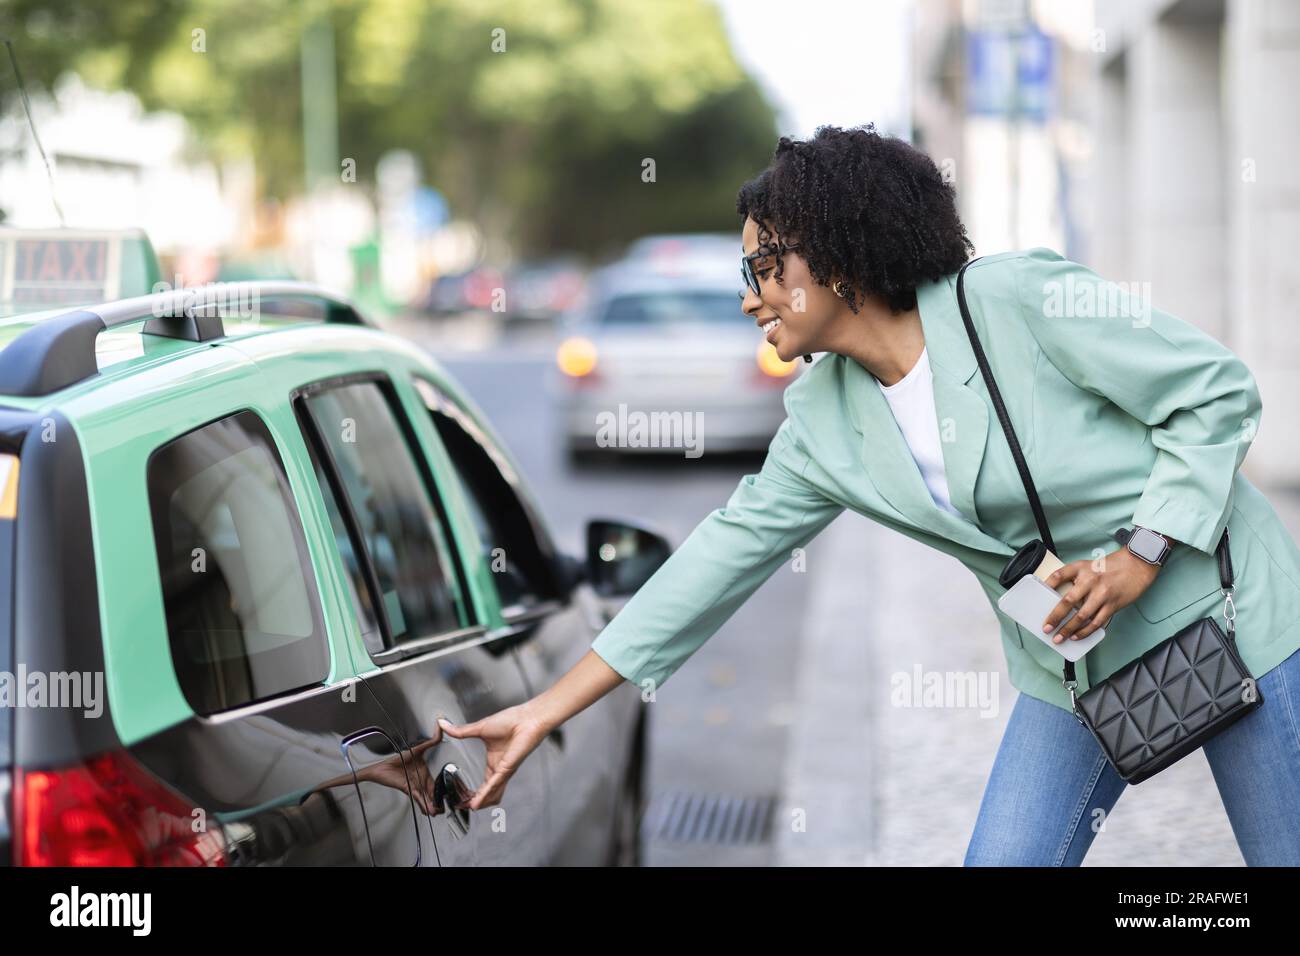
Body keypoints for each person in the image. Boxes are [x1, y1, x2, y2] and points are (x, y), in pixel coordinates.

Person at [437, 123, 1300, 865]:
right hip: (1076, 665)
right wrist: (545, 709)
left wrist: (1140, 556)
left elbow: (1215, 394)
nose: (749, 299)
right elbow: (714, 565)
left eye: (764, 268)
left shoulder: (1013, 301)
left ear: (836, 254)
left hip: (1228, 611)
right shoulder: (824, 418)